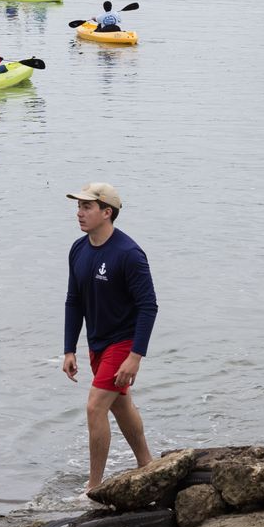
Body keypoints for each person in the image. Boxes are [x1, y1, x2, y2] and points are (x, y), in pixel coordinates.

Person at [61, 182, 157, 492]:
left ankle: (94, 487)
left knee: (95, 407)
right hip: (97, 343)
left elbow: (148, 306)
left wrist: (135, 356)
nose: (79, 213)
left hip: (124, 342)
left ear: (107, 212)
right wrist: (69, 349)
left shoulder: (128, 254)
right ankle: (148, 464)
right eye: (78, 206)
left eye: (87, 207)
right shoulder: (78, 249)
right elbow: (74, 301)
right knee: (120, 405)